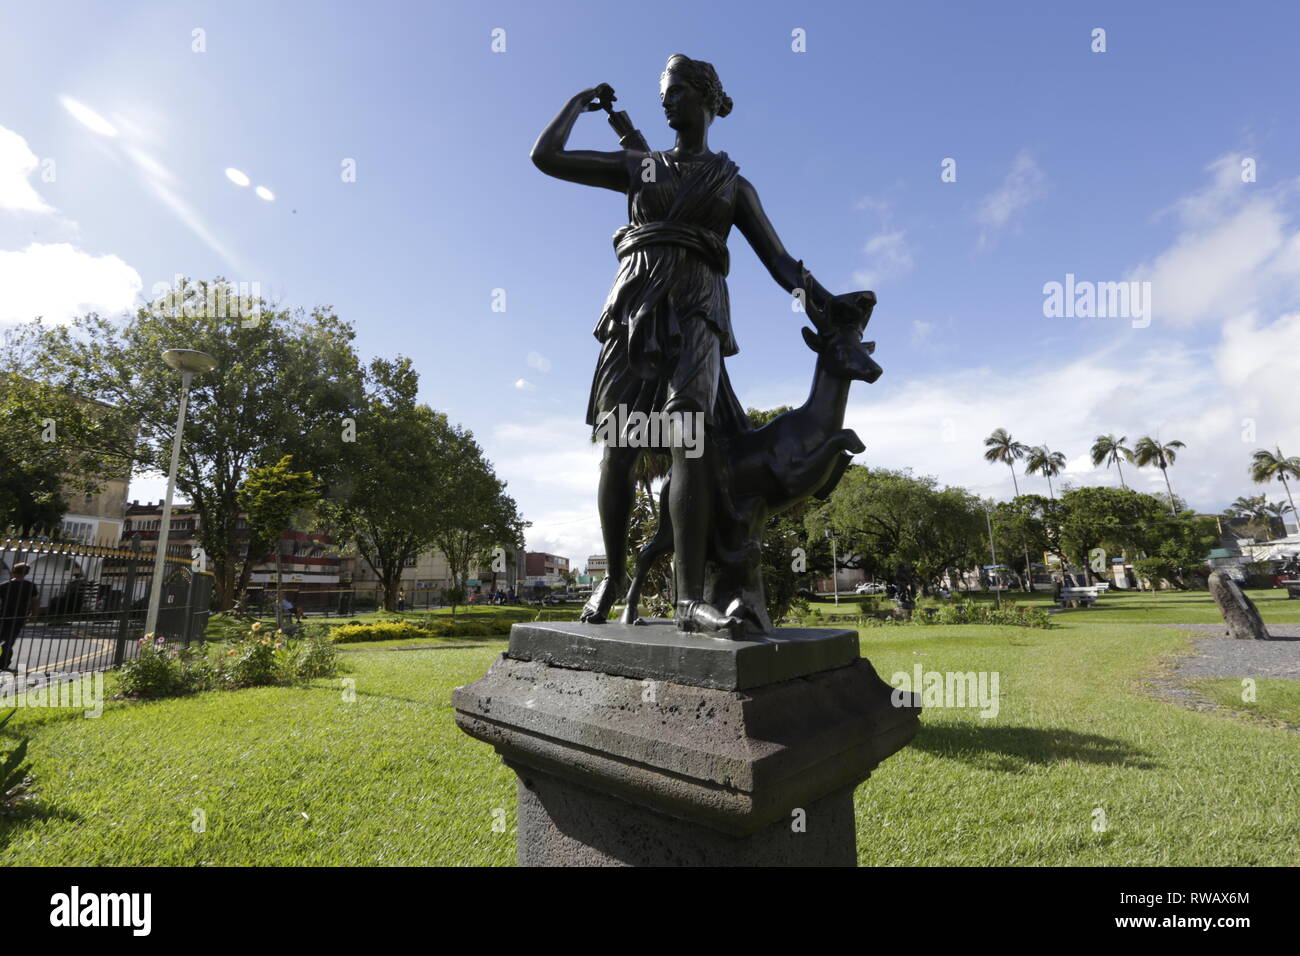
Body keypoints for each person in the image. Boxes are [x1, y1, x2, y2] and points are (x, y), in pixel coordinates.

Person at [532, 55, 849, 634]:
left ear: (706, 97)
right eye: (662, 93)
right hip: (634, 309)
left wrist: (827, 302)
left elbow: (779, 262)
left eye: (676, 91)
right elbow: (546, 157)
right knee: (620, 447)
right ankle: (611, 576)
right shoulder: (642, 166)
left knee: (690, 440)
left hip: (700, 306)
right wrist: (580, 102)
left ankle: (687, 600)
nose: (665, 101)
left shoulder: (733, 184)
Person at [0, 563, 40, 674]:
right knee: (9, 640)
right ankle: (3, 663)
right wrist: (34, 614)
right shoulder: (30, 586)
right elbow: (35, 601)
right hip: (19, 617)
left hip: (3, 615)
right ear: (26, 573)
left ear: (13, 571)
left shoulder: (4, 585)